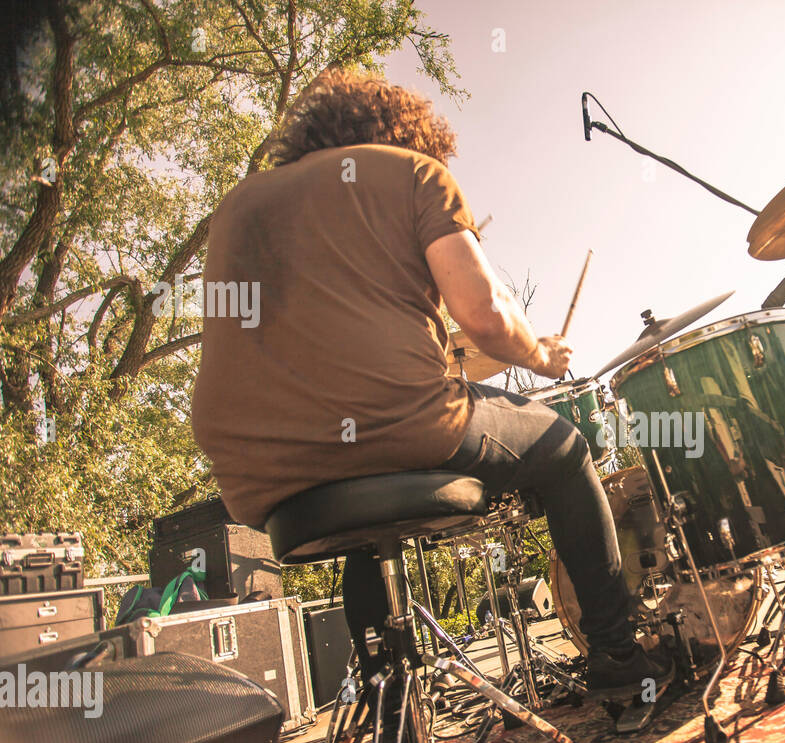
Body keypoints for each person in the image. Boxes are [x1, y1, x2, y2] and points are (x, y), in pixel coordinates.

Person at [191, 69, 672, 707]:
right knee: (565, 447)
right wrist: (539, 355)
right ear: (407, 133)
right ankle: (616, 656)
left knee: (368, 523)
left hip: (256, 467)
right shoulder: (414, 173)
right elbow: (484, 316)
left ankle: (389, 712)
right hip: (403, 422)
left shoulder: (237, 205)